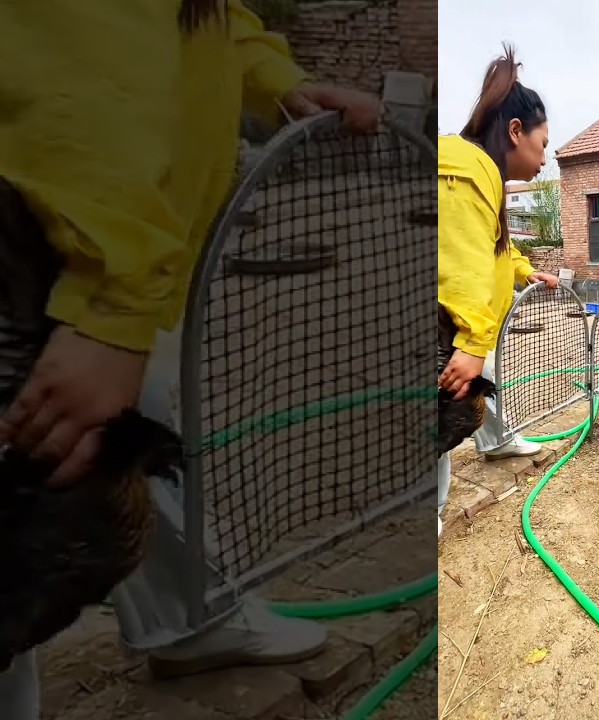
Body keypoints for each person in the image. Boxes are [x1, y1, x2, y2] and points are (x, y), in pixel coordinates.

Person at [0, 1, 382, 714]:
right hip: (56, 248)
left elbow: (207, 13)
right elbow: (74, 45)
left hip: (121, 252)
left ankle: (192, 620)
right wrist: (112, 294)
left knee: (125, 469)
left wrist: (275, 78)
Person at [437, 44, 564, 536]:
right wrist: (469, 342)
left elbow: (492, 248)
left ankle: (497, 440)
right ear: (516, 131)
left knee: (482, 378)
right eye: (544, 142)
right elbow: (458, 255)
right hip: (447, 326)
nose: (545, 156)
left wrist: (524, 271)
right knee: (442, 416)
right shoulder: (466, 169)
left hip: (465, 325)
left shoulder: (484, 173)